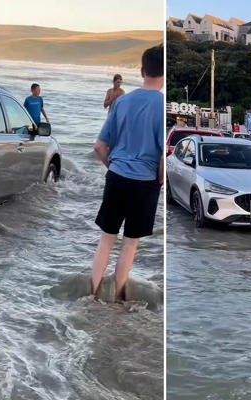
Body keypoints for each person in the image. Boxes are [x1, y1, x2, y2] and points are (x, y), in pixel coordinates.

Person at [90, 44, 164, 300]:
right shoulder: (162, 106)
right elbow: (162, 157)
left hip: (117, 177)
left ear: (143, 70)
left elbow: (99, 146)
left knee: (106, 241)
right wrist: (159, 181)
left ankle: (93, 295)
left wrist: (114, 167)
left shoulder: (122, 101)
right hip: (145, 183)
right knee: (130, 244)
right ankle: (119, 299)